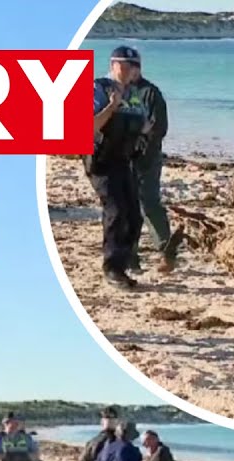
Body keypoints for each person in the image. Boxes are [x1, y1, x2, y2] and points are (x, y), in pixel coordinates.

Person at [89, 45, 152, 290]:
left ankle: (123, 263)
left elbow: (143, 123)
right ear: (113, 65)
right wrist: (112, 106)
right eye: (124, 66)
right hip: (102, 160)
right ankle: (113, 268)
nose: (129, 71)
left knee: (134, 216)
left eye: (134, 67)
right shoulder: (99, 88)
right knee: (116, 212)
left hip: (124, 159)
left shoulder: (133, 93)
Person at [131, 67, 184, 273]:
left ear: (138, 68)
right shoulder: (114, 92)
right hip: (119, 157)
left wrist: (143, 149)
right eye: (118, 65)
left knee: (150, 203)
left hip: (147, 158)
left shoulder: (151, 93)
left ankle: (166, 252)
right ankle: (130, 255)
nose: (124, 70)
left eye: (129, 66)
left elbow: (159, 128)